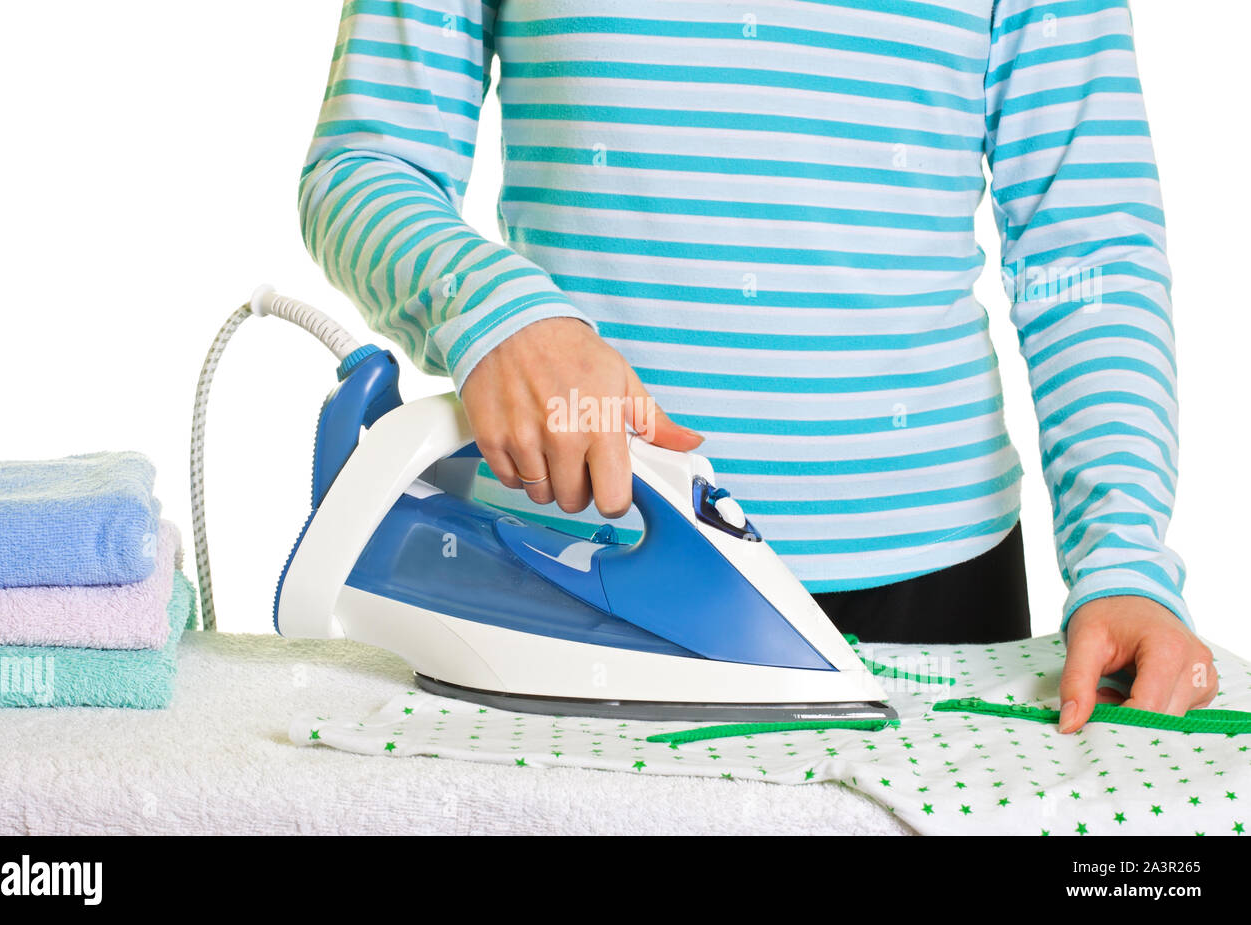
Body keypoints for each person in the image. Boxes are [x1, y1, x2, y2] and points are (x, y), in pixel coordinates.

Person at [296, 0, 1215, 732]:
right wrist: (499, 314)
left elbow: (1083, 248)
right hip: (572, 557)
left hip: (936, 590)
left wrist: (1123, 557)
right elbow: (365, 161)